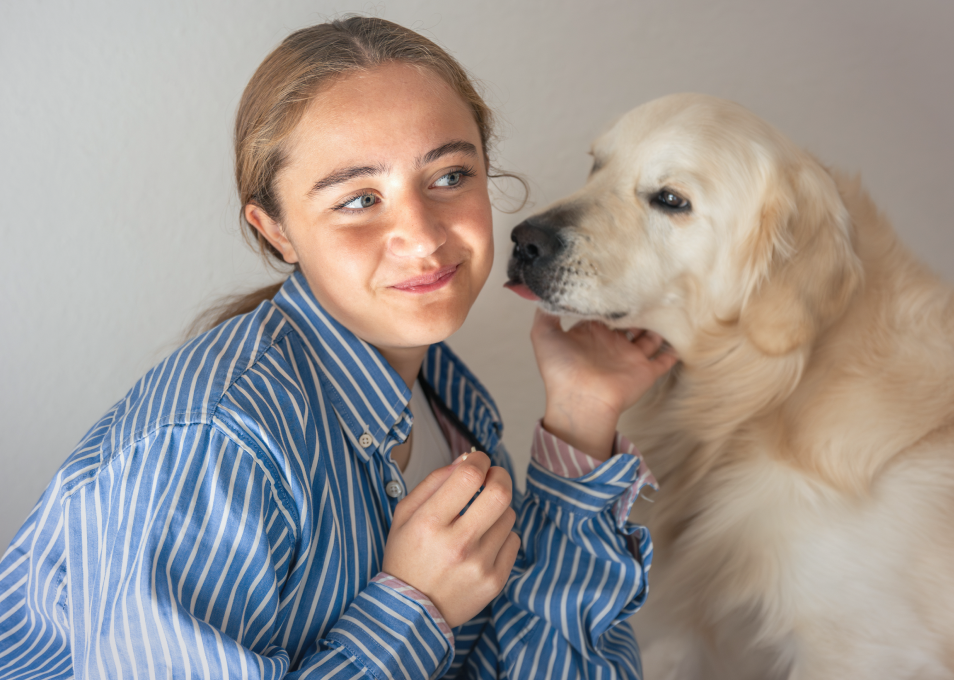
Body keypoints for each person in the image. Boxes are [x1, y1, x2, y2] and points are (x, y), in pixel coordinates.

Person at [0, 16, 676, 679]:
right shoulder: (215, 445)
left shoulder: (450, 404)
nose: (422, 235)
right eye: (358, 199)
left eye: (448, 177)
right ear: (277, 231)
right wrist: (418, 609)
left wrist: (582, 414)